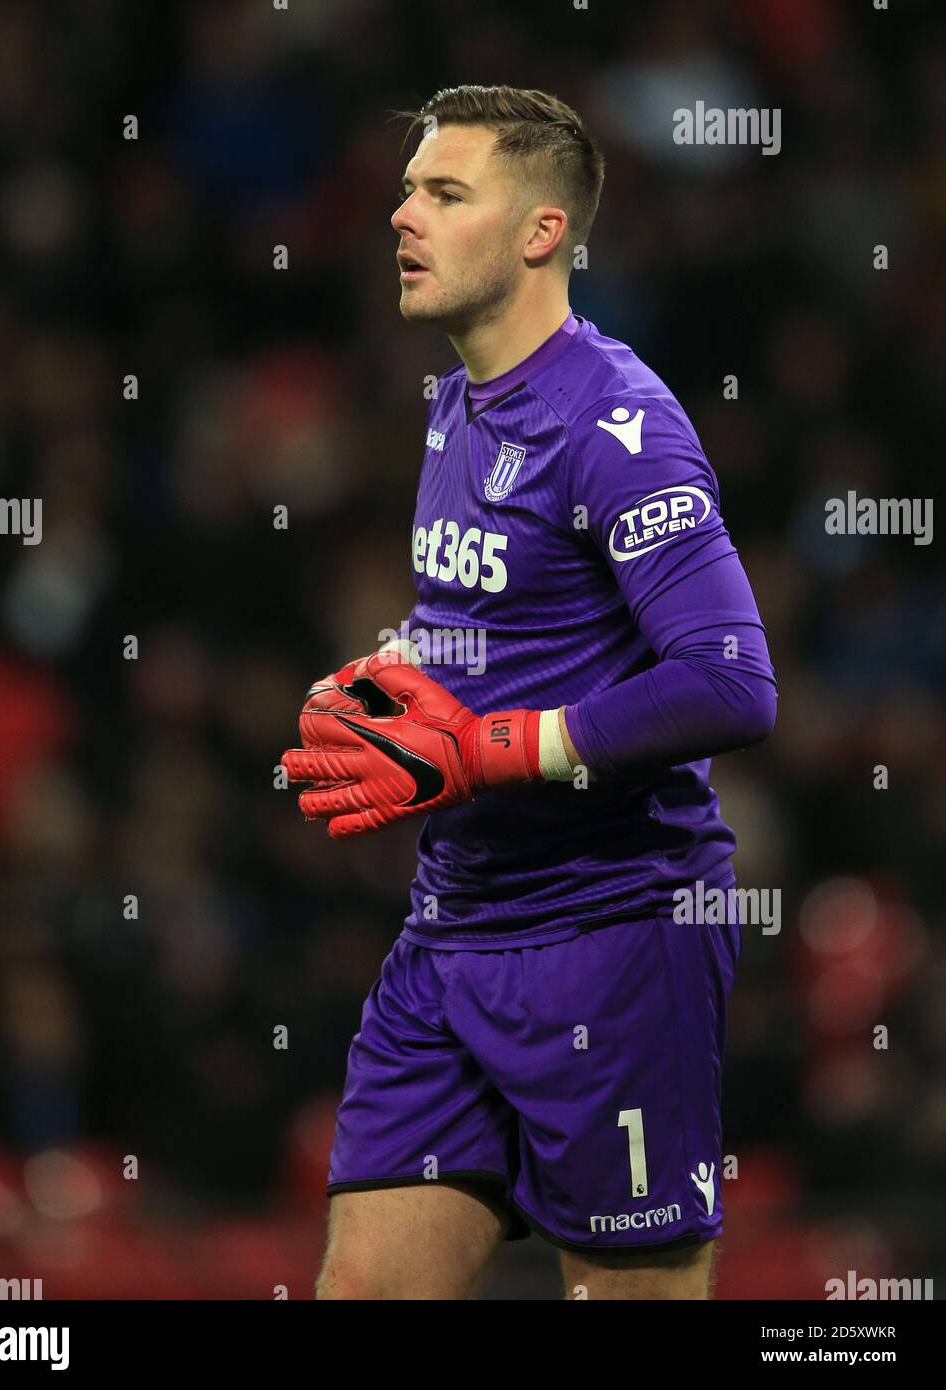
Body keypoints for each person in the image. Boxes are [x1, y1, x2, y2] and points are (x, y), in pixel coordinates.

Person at [282, 84, 777, 1300]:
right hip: (450, 935)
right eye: (406, 189)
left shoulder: (618, 426)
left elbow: (729, 681)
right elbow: (512, 630)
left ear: (539, 230)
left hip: (612, 938)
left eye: (445, 194)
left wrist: (488, 749)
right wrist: (397, 683)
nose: (402, 215)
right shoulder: (454, 402)